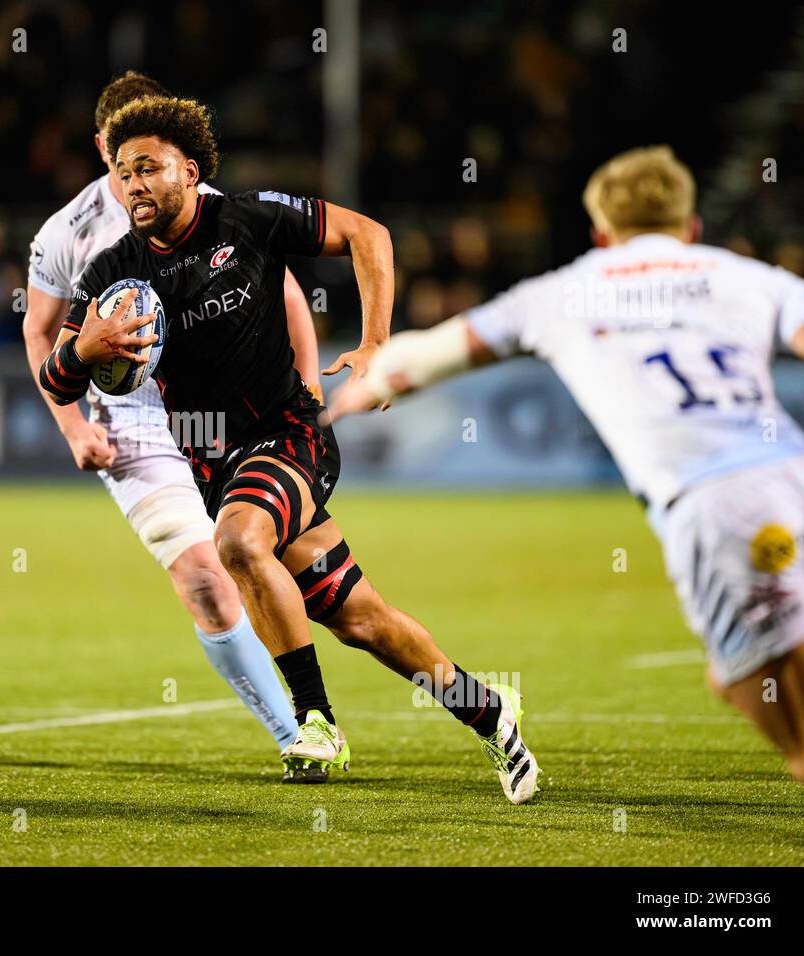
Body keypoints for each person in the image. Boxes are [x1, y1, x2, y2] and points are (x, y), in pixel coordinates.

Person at [39, 96, 538, 801]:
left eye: (148, 168)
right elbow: (54, 374)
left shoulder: (245, 218)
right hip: (214, 458)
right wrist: (85, 348)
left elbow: (369, 235)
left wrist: (373, 344)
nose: (133, 185)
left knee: (238, 543)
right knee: (361, 620)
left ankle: (316, 722)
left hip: (289, 434)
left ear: (189, 169)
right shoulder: (113, 275)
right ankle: (490, 712)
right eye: (122, 174)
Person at [331, 145, 804, 795]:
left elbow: (430, 355)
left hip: (724, 505)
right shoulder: (749, 276)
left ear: (599, 232)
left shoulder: (563, 292)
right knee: (732, 677)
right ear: (692, 226)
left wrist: (361, 389)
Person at [24, 72, 321, 753]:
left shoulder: (207, 204)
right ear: (102, 145)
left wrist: (309, 397)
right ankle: (296, 737)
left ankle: (348, 702)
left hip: (229, 408)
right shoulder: (65, 234)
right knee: (205, 577)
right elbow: (39, 333)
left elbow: (288, 296)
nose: (137, 170)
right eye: (121, 151)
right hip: (131, 425)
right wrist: (73, 427)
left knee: (291, 569)